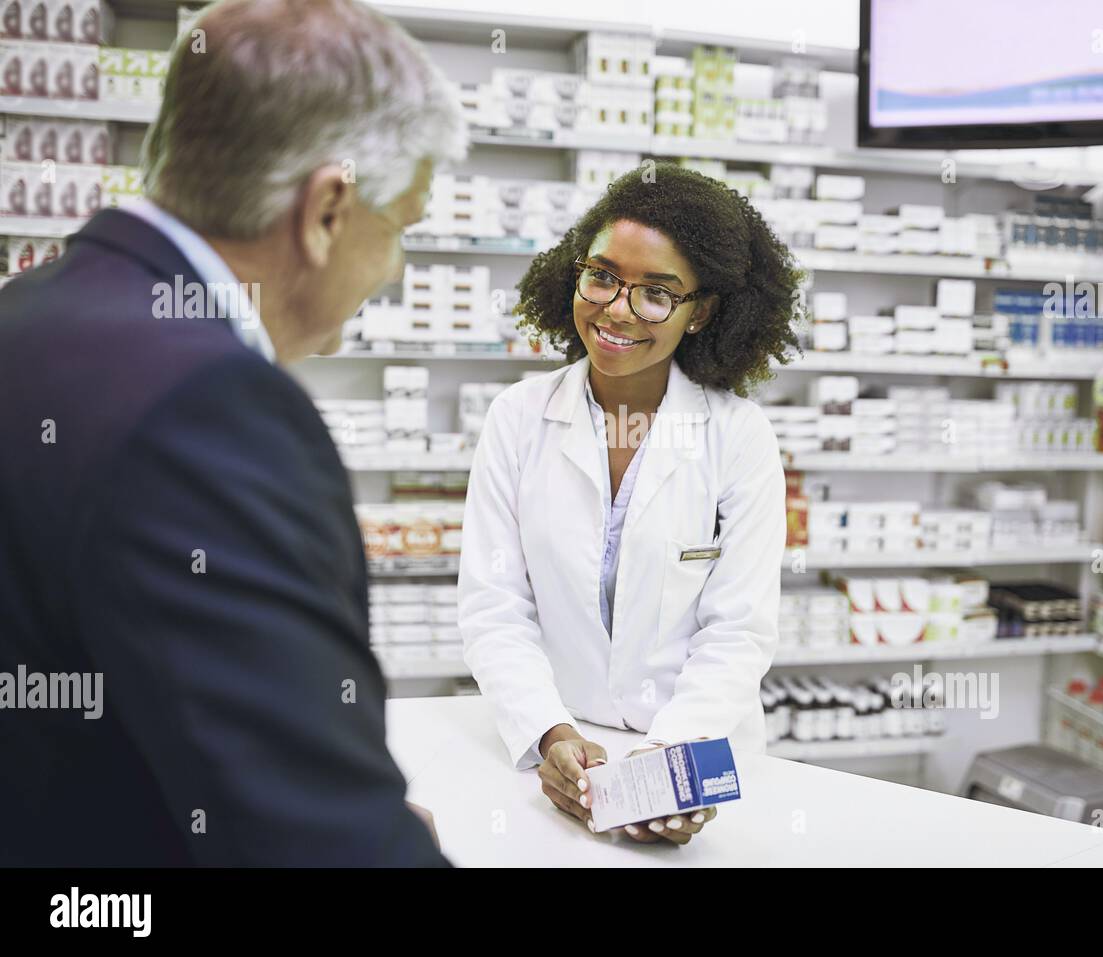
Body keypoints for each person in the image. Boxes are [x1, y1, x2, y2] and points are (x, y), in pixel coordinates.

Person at [0, 0, 465, 866]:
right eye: (399, 226)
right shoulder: (212, 408)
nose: (396, 267)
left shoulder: (27, 311)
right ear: (328, 209)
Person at [458, 163, 803, 845]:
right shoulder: (518, 417)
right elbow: (494, 604)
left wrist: (665, 765)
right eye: (603, 276)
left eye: (656, 294)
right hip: (562, 749)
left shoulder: (738, 437)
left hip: (694, 749)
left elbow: (738, 630)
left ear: (700, 310)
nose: (616, 308)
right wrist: (550, 731)